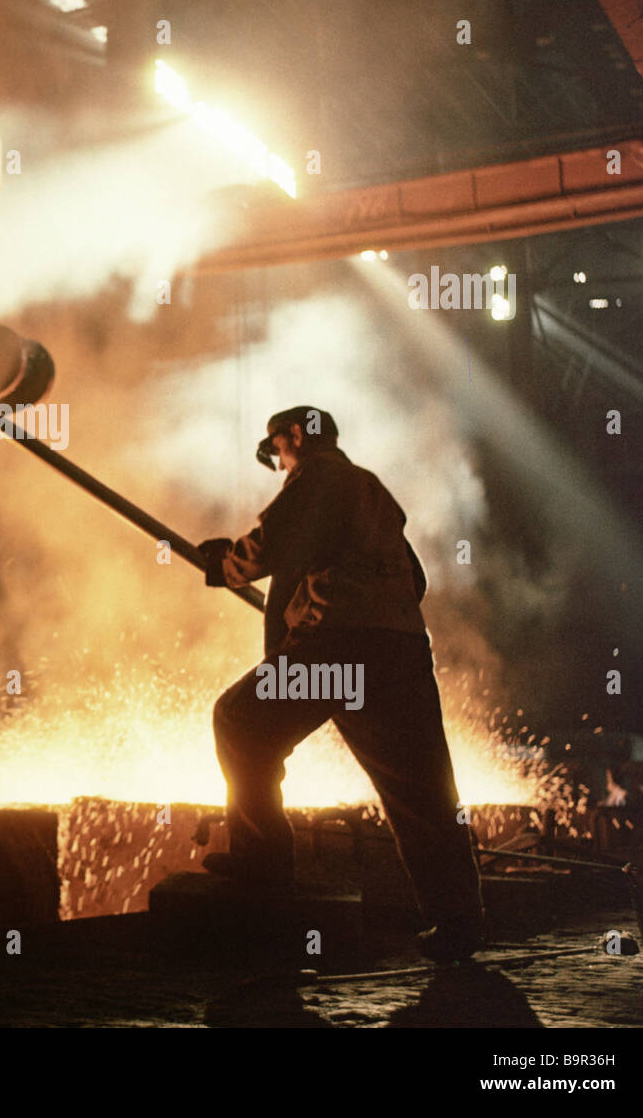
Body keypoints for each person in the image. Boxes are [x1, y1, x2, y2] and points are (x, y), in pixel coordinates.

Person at [198, 406, 485, 962]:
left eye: (278, 451)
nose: (279, 463)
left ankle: (263, 861)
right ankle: (460, 923)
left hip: (337, 648)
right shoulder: (371, 490)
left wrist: (224, 565)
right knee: (423, 790)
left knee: (239, 722)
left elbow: (274, 542)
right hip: (401, 652)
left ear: (297, 437)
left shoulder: (318, 475)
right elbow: (415, 579)